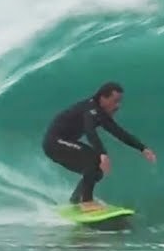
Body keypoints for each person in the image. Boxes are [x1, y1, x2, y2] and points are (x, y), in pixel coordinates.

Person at [42, 81, 156, 211]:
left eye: (119, 101)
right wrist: (102, 154)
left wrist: (142, 148)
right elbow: (90, 131)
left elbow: (118, 132)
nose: (118, 105)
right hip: (55, 142)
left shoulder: (100, 113)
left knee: (97, 171)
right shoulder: (90, 109)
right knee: (92, 159)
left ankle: (75, 200)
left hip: (63, 143)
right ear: (103, 98)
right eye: (115, 101)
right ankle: (86, 202)